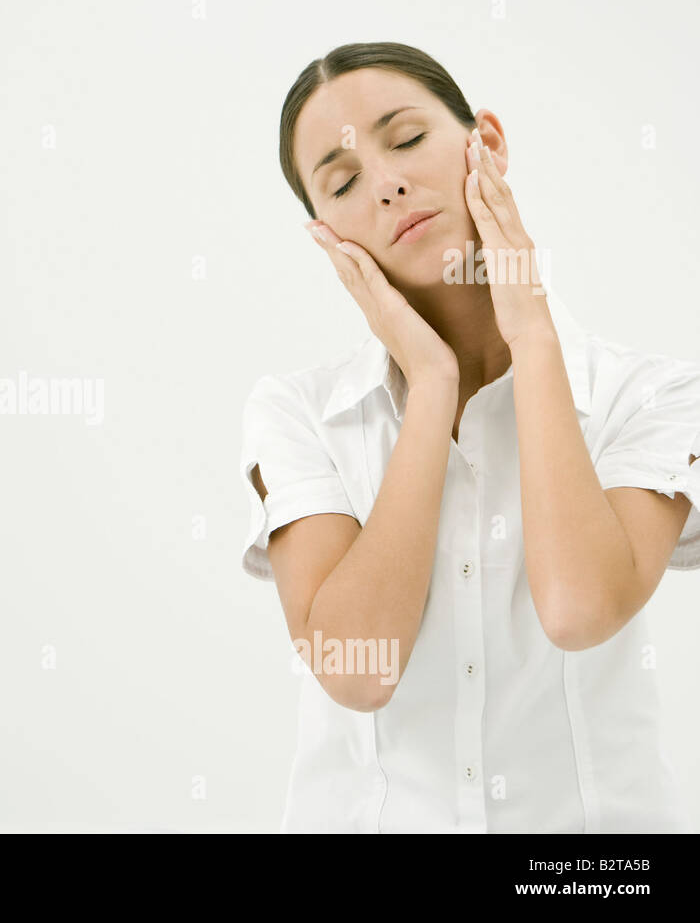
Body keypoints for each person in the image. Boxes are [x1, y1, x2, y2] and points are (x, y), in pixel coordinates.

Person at [240, 41, 700, 832]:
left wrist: (535, 336)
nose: (387, 185)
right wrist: (431, 387)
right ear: (326, 233)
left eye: (408, 139)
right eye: (344, 182)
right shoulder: (296, 412)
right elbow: (360, 668)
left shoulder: (652, 395)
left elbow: (580, 608)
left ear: (484, 142)